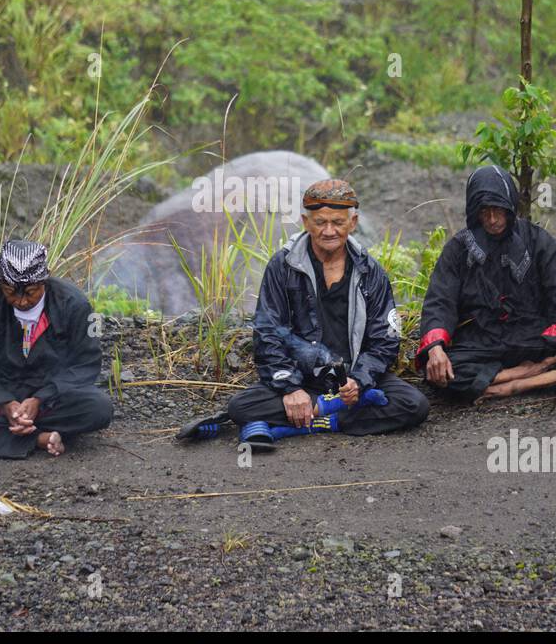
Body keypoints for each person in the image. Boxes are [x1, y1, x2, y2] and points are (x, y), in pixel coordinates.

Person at [181, 179, 428, 450]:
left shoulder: (371, 272)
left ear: (353, 222)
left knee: (413, 405)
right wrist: (290, 388)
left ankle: (306, 420)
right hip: (304, 380)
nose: (329, 231)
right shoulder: (283, 266)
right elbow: (267, 332)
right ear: (305, 222)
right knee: (241, 406)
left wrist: (359, 379)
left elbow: (385, 338)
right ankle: (324, 412)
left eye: (338, 222)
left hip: (352, 385)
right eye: (320, 222)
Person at [416, 165, 556, 403]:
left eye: (498, 210)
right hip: (483, 342)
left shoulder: (537, 240)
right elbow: (439, 302)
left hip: (534, 338)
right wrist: (436, 349)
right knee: (434, 367)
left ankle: (500, 386)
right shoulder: (458, 249)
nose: (492, 219)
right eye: (485, 211)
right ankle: (530, 376)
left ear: (510, 206)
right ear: (474, 211)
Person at [0, 240, 113, 458]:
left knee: (99, 407)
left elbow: (85, 363)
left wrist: (40, 399)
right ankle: (40, 439)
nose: (21, 301)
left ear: (44, 281)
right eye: (10, 292)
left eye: (31, 292)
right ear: (1, 284)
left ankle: (1, 435)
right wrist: (5, 403)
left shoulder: (73, 304)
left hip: (50, 401)